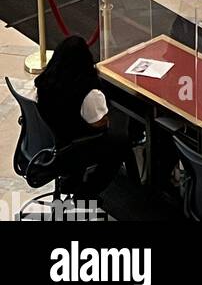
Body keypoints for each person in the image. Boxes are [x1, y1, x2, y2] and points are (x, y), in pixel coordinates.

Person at [33, 35, 137, 194]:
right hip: (72, 149)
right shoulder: (88, 92)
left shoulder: (45, 82)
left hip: (49, 141)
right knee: (120, 142)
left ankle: (72, 180)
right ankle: (88, 192)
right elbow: (99, 123)